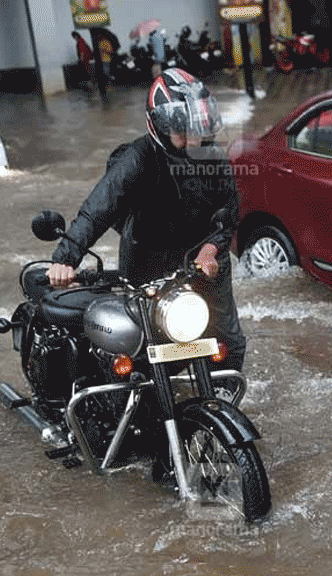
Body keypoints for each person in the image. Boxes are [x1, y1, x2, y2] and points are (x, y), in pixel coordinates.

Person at [47, 69, 247, 371]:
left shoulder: (213, 157)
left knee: (226, 342)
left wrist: (211, 250)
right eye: (182, 133)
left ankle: (220, 396)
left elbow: (227, 214)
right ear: (159, 127)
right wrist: (65, 259)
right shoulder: (136, 159)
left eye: (197, 132)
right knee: (144, 343)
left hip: (204, 258)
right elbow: (98, 209)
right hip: (148, 255)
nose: (192, 141)